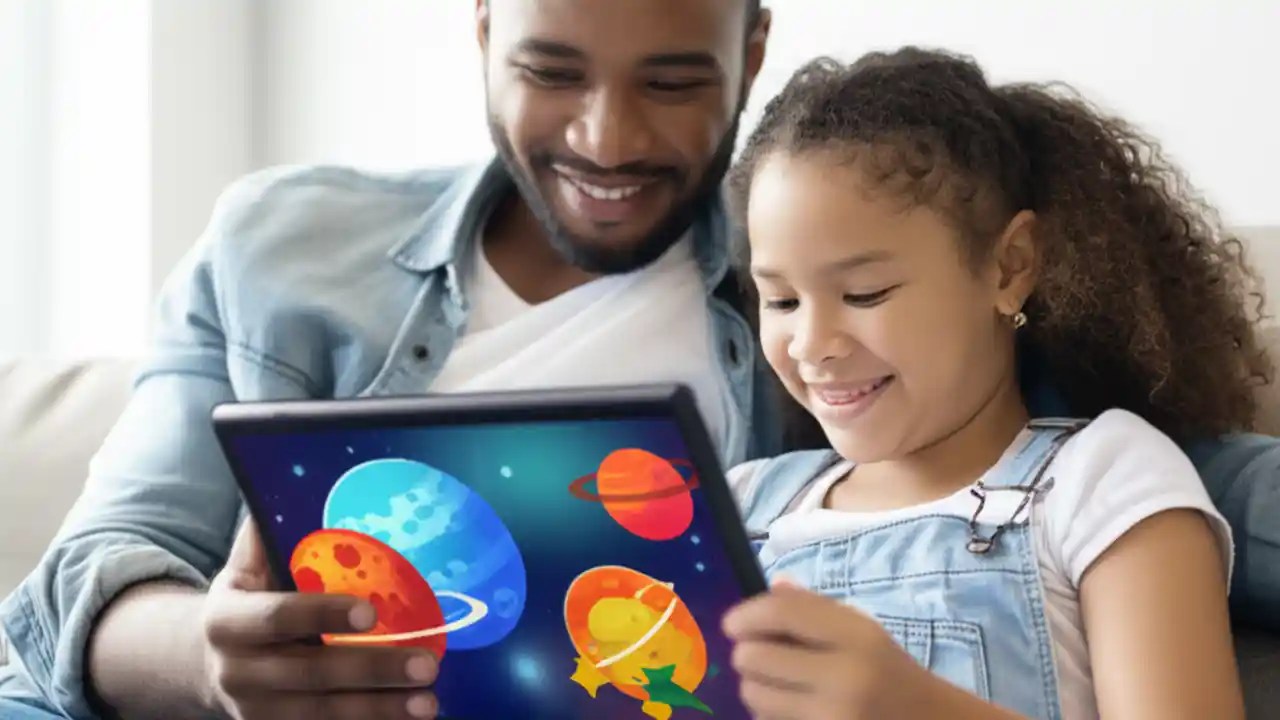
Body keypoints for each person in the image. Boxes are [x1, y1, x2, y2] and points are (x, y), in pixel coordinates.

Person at [0, 1, 1275, 717]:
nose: (607, 139)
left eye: (672, 81)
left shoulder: (861, 245)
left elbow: (1152, 486)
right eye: (552, 71)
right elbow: (67, 599)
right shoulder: (278, 244)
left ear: (749, 48)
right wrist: (209, 655)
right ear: (482, 27)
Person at [718, 48, 1260, 719]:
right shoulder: (738, 507)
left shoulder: (1101, 481)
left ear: (1009, 267)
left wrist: (916, 705)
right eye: (782, 301)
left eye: (864, 293)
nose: (812, 346)